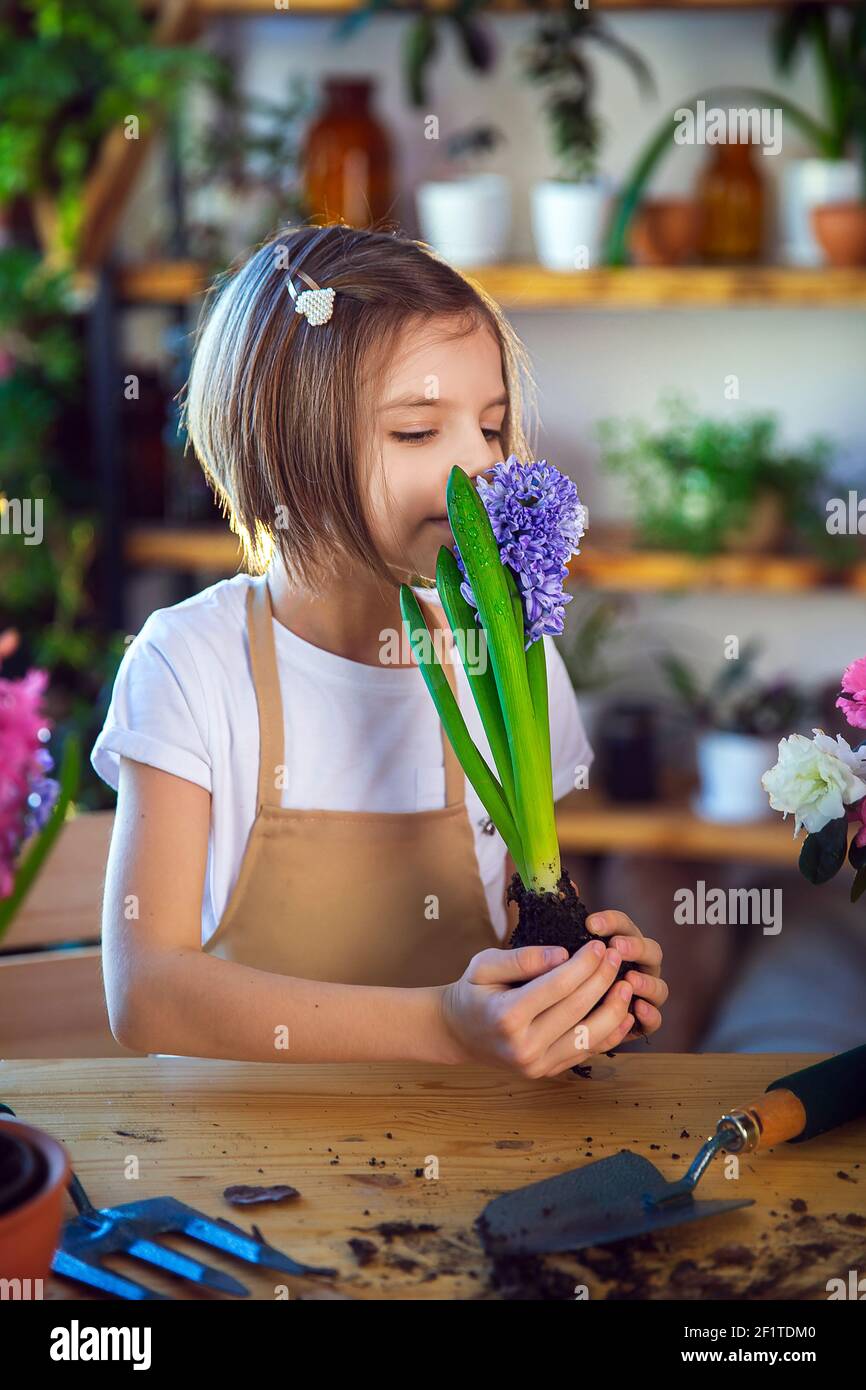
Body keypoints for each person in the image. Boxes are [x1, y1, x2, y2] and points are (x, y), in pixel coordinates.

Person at [91, 222, 668, 1073]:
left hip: (472, 1152)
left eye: (494, 426)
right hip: (240, 1160)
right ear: (286, 451)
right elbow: (144, 993)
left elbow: (532, 908)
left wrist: (586, 985)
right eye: (417, 433)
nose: (478, 464)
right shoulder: (190, 663)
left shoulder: (517, 658)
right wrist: (443, 1027)